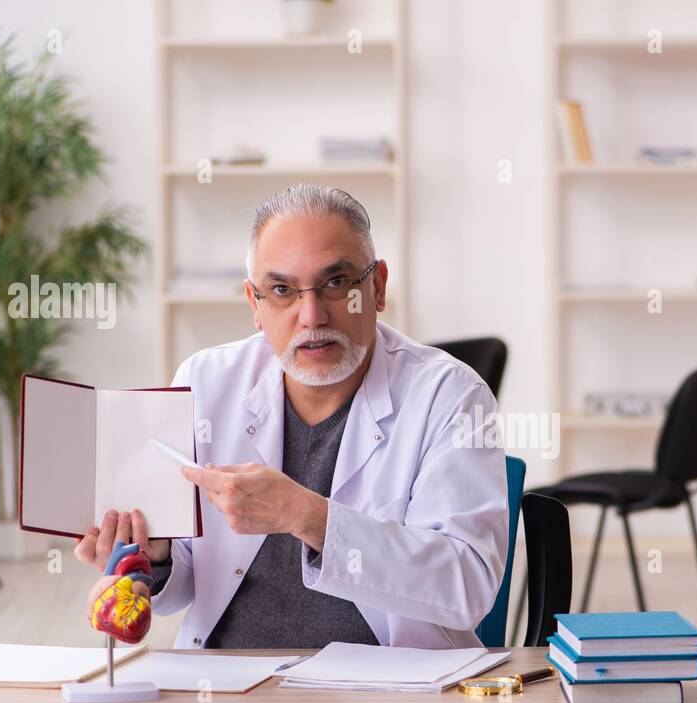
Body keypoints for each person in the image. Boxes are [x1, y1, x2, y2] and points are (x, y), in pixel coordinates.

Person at [74, 184, 508, 649]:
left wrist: (308, 516)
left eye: (336, 283)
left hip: (386, 690)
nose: (312, 315)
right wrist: (155, 559)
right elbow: (185, 578)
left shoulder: (451, 395)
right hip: (227, 687)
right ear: (254, 305)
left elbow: (468, 586)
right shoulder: (204, 379)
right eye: (282, 290)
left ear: (377, 287)